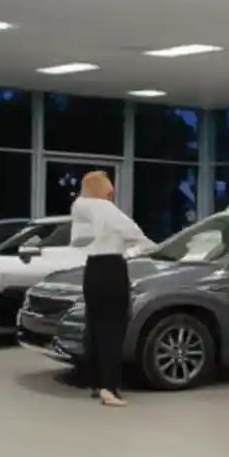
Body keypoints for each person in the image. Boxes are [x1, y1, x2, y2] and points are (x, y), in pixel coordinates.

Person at [70, 171, 152, 407]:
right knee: (113, 329)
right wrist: (151, 246)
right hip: (112, 268)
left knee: (95, 327)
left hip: (93, 268)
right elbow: (134, 233)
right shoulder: (105, 208)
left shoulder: (80, 209)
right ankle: (110, 387)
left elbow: (80, 240)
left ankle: (96, 382)